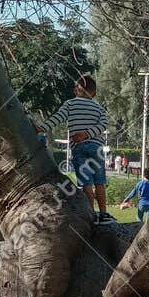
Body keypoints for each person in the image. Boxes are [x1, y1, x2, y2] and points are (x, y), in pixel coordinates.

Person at [47, 74, 112, 221]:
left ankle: (92, 214)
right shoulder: (98, 107)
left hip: (78, 147)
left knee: (86, 183)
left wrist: (41, 127)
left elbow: (57, 118)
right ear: (94, 93)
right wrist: (88, 134)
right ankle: (103, 213)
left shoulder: (70, 104)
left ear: (77, 89)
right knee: (100, 181)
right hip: (96, 147)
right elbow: (103, 124)